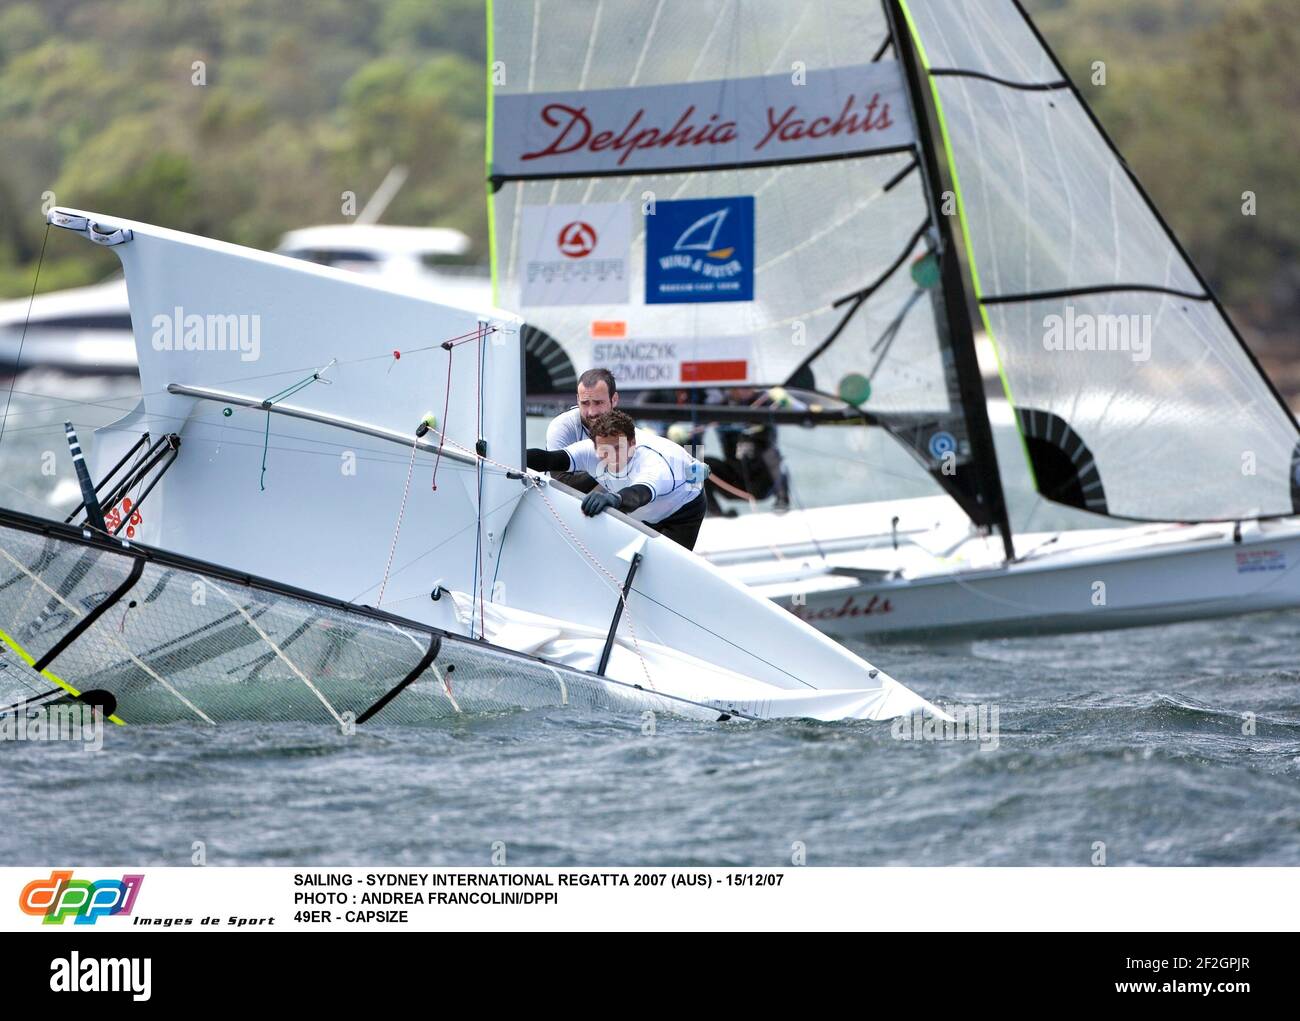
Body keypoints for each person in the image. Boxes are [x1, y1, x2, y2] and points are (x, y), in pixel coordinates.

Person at [527, 410, 709, 550]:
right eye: (604, 451)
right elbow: (550, 459)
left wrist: (613, 498)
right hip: (645, 512)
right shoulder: (589, 450)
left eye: (618, 448)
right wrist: (508, 456)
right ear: (595, 446)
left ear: (632, 444)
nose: (612, 456)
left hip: (683, 509)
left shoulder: (651, 463)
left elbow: (639, 494)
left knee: (666, 572)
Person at [544, 367, 620, 493]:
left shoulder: (623, 428)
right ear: (577, 400)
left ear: (614, 399)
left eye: (598, 403)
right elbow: (560, 482)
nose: (592, 412)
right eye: (585, 403)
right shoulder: (562, 426)